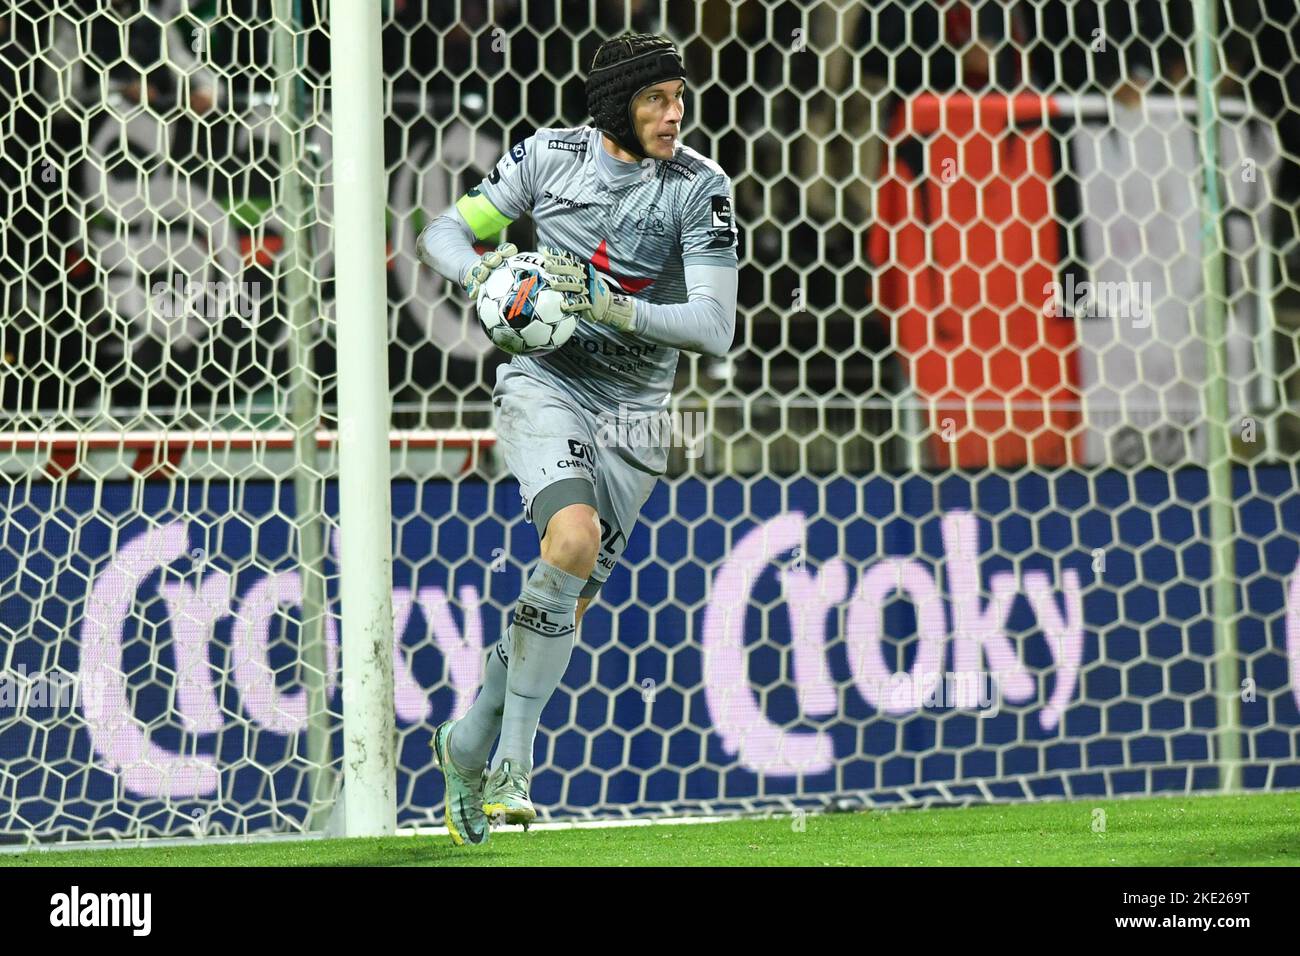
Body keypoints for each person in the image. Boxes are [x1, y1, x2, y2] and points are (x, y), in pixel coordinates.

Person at [416, 32, 738, 844]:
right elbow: (443, 231)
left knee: (570, 594)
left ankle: (465, 744)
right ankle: (514, 769)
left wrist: (606, 302)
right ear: (614, 106)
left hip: (635, 414)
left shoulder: (700, 189)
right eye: (655, 99)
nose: (674, 113)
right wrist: (482, 273)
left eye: (679, 97)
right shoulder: (546, 158)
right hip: (547, 383)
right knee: (572, 538)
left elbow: (715, 327)